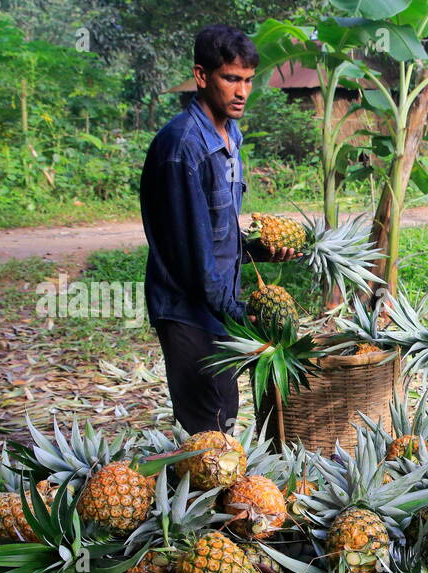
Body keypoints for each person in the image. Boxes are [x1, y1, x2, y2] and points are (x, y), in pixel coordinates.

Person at [139, 24, 297, 435]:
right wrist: (244, 314)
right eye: (231, 79)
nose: (242, 91)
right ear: (201, 75)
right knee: (208, 428)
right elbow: (192, 256)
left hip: (216, 305)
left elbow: (216, 231)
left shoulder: (230, 138)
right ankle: (194, 498)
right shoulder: (183, 147)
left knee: (224, 411)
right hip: (188, 309)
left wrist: (261, 247)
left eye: (247, 80)